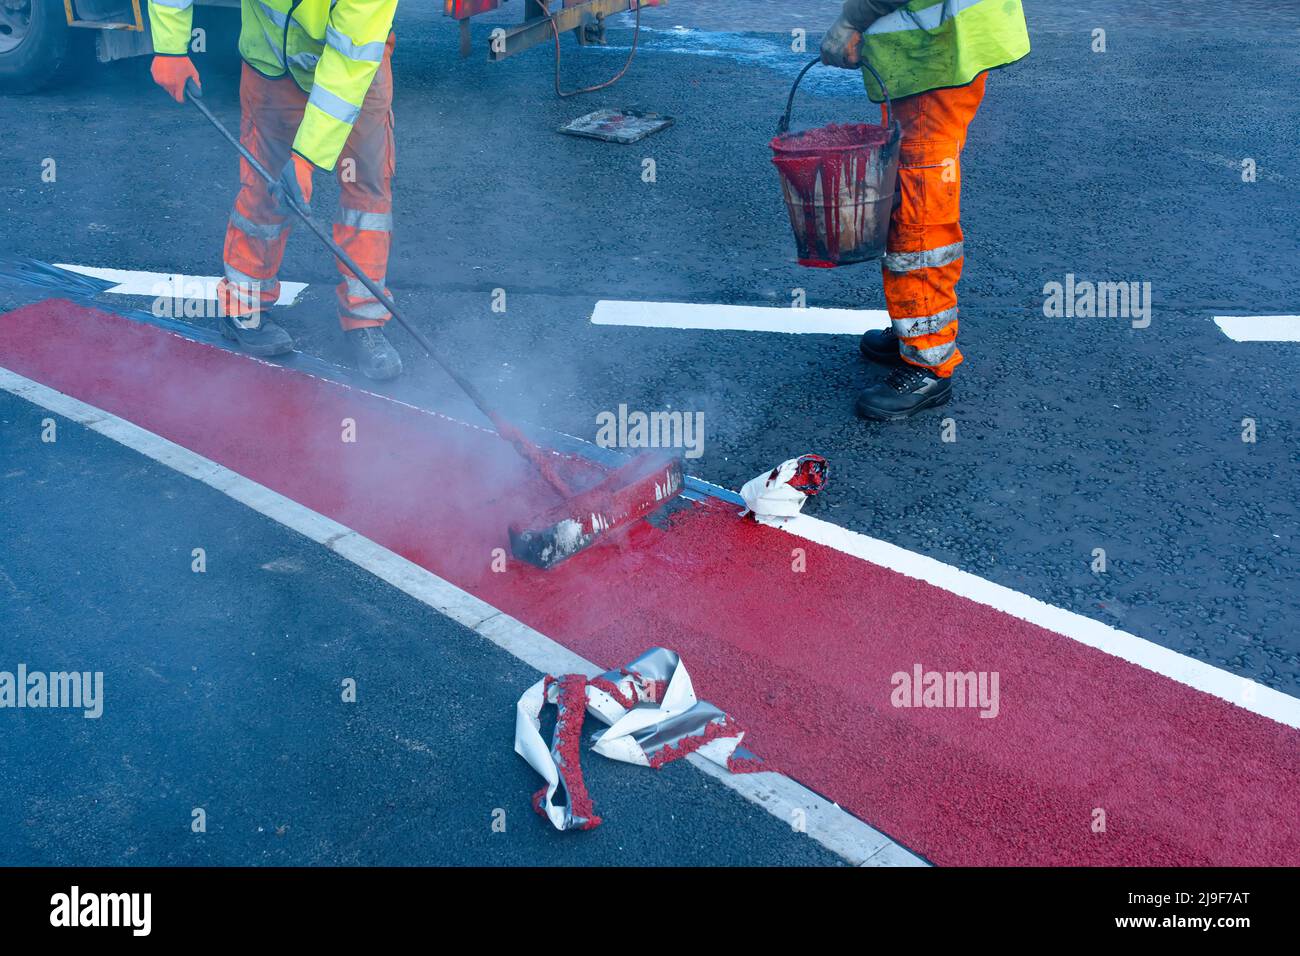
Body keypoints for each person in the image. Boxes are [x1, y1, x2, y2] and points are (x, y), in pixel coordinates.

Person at [147, 0, 404, 380]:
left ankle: (366, 319)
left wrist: (306, 159)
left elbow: (348, 66)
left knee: (365, 191)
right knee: (264, 188)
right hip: (271, 64)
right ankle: (244, 310)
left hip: (355, 75)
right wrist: (170, 45)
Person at [821, 0, 1029, 419]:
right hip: (939, 51)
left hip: (932, 60)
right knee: (913, 198)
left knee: (919, 219)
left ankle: (928, 364)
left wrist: (851, 20)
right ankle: (915, 329)